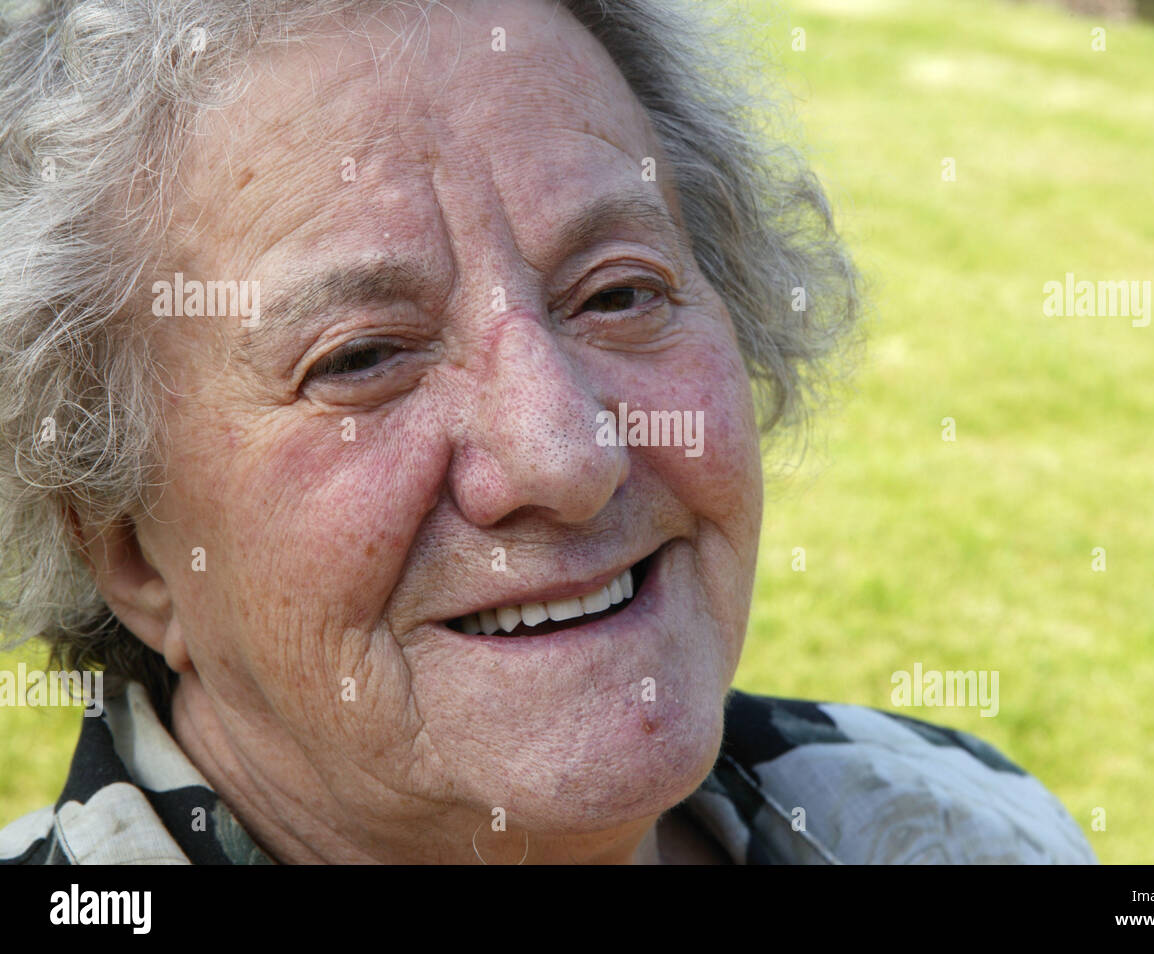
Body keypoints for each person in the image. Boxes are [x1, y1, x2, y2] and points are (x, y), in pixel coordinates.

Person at [0, 0, 1095, 864]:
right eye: (362, 360)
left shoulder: (959, 824)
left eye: (617, 293)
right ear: (133, 549)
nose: (566, 457)